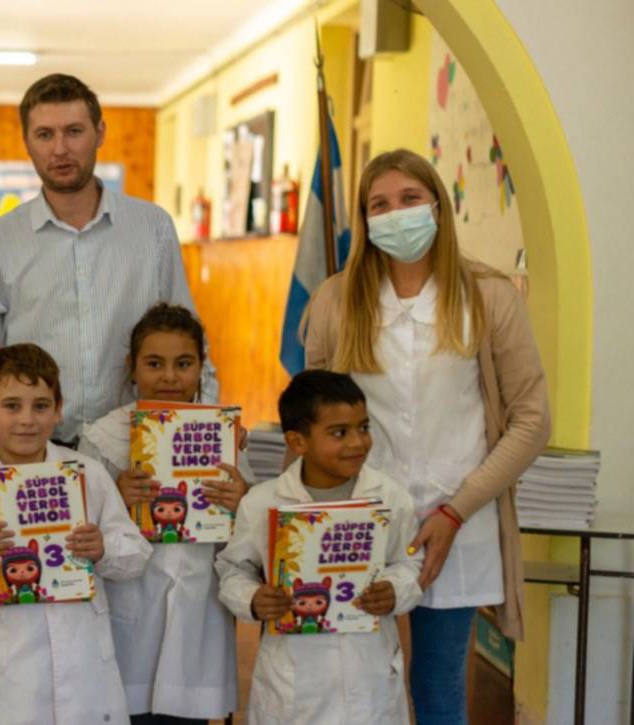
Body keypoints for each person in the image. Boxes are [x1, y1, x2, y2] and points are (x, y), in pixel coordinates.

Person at [301, 148, 550, 724]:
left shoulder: (489, 297)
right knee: (351, 685)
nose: (396, 214)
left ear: (437, 204)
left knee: (437, 687)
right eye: (379, 205)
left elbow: (532, 419)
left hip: (455, 524)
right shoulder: (336, 301)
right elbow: (309, 415)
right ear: (364, 221)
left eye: (409, 199)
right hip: (357, 523)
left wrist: (456, 512)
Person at [0, 73, 215, 444]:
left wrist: (212, 427)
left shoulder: (153, 228)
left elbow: (191, 344)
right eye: (45, 135)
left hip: (137, 451)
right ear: (27, 142)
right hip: (38, 453)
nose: (60, 149)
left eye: (73, 131)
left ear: (99, 132)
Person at [0, 344, 151, 723]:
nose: (27, 420)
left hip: (86, 671)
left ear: (58, 408)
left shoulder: (87, 474)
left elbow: (136, 555)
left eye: (41, 405)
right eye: (12, 406)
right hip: (14, 677)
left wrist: (103, 549)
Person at [215, 370, 421, 724]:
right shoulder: (263, 504)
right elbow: (233, 569)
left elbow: (409, 564)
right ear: (297, 442)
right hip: (294, 686)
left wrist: (395, 591)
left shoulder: (391, 499)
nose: (357, 442)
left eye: (364, 427)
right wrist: (252, 598)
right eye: (339, 433)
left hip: (369, 680)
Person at [78, 303, 246, 723]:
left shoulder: (224, 436)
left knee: (185, 714)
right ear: (132, 368)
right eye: (155, 363)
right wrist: (114, 495)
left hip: (198, 612)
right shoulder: (103, 438)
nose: (169, 377)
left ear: (201, 369)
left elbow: (253, 535)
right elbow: (75, 529)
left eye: (183, 363)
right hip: (127, 613)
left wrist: (241, 500)